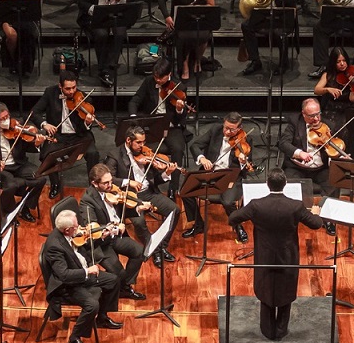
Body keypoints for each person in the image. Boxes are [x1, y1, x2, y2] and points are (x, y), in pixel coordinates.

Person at [228, 168, 323, 340]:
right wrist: (316, 213)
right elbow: (316, 224)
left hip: (264, 256)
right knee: (285, 291)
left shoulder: (256, 205)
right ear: (285, 184)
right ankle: (281, 331)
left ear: (267, 184)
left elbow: (232, 218)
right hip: (288, 256)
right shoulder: (295, 206)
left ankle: (267, 330)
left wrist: (245, 209)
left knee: (266, 290)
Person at [43, 209, 123, 343]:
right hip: (67, 286)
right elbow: (64, 275)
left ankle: (102, 318)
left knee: (113, 280)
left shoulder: (68, 234)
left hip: (79, 273)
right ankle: (75, 338)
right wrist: (87, 271)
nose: (79, 227)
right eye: (76, 226)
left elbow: (82, 243)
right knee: (92, 305)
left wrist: (101, 236)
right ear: (67, 230)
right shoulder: (55, 246)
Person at [106, 125, 181, 265]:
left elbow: (155, 180)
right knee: (139, 222)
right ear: (128, 140)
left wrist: (167, 173)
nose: (142, 146)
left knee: (174, 210)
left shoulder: (146, 154)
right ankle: (154, 251)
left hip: (149, 193)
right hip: (130, 197)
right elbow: (109, 178)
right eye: (139, 142)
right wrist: (129, 182)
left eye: (144, 142)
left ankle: (161, 246)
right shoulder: (115, 155)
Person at [79, 164, 149, 301]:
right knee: (119, 273)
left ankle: (125, 287)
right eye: (106, 183)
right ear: (94, 183)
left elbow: (122, 208)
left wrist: (138, 208)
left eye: (111, 181)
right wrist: (115, 227)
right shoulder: (87, 201)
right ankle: (119, 287)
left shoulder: (110, 191)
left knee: (139, 251)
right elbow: (93, 229)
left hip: (115, 237)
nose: (111, 185)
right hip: (101, 243)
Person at [32, 68, 105, 197]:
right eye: (68, 89)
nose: (71, 91)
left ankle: (92, 186)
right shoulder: (50, 93)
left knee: (93, 153)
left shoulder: (82, 97)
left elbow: (85, 127)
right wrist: (45, 124)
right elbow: (35, 112)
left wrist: (87, 122)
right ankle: (55, 184)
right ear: (60, 86)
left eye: (74, 87)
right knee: (46, 155)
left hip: (79, 136)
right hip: (58, 136)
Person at [184, 111, 254, 242]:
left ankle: (238, 226)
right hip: (210, 172)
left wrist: (243, 161)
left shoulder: (246, 139)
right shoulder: (215, 130)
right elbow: (196, 145)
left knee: (227, 201)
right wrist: (202, 158)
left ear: (239, 128)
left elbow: (248, 167)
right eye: (226, 127)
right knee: (186, 191)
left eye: (231, 130)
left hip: (231, 176)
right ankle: (198, 224)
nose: (227, 132)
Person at [0, 102, 48, 221]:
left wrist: (37, 144)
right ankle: (9, 214)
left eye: (7, 117)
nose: (6, 120)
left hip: (18, 164)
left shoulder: (17, 125)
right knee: (11, 184)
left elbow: (27, 147)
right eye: (2, 119)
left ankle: (25, 208)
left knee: (41, 177)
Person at [78, 0, 133, 88]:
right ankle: (105, 69)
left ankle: (108, 66)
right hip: (97, 15)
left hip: (116, 13)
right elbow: (81, 1)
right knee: (101, 34)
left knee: (120, 33)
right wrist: (94, 10)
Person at [129, 56, 193, 170]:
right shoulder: (149, 81)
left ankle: (174, 187)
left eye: (161, 78)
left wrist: (179, 109)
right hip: (152, 125)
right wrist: (133, 117)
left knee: (178, 149)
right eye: (156, 77)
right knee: (137, 146)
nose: (157, 80)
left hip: (172, 127)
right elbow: (135, 100)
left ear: (169, 74)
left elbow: (182, 118)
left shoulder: (179, 87)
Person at [159, 0, 216, 82]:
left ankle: (197, 60)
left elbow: (211, 5)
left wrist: (200, 8)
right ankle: (185, 63)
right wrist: (167, 17)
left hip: (200, 21)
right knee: (186, 36)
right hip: (183, 23)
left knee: (205, 35)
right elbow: (161, 0)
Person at [278, 98, 342, 199]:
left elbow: (334, 150)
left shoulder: (329, 125)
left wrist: (339, 157)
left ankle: (327, 211)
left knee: (333, 182)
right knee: (289, 186)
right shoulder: (295, 122)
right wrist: (299, 153)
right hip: (297, 167)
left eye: (318, 114)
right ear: (303, 114)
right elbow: (283, 143)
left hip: (321, 169)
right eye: (312, 116)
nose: (316, 119)